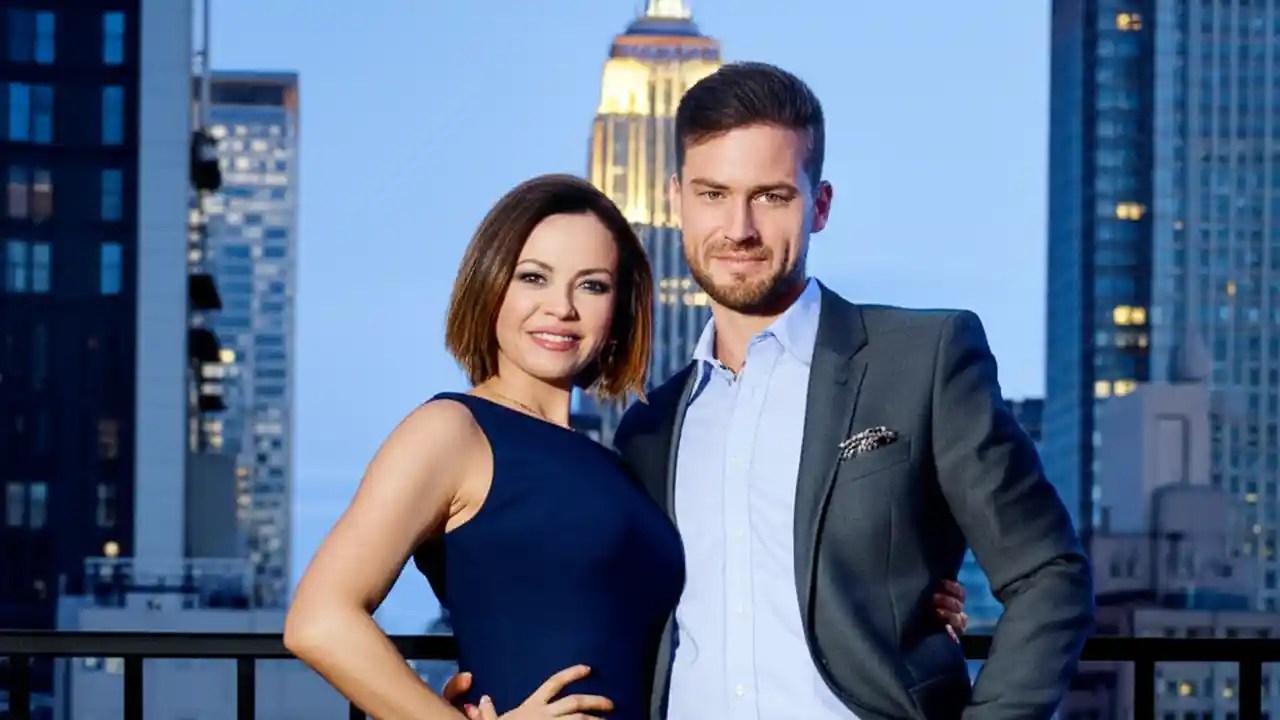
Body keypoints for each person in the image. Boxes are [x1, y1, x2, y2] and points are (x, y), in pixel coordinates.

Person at [285, 172, 971, 719]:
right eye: (533, 277)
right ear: (490, 284)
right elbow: (319, 619)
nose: (561, 307)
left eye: (592, 285)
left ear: (618, 311)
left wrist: (902, 597)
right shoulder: (451, 431)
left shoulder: (623, 458)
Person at [611, 62, 1095, 719]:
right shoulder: (648, 429)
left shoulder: (922, 360)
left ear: (821, 204)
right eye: (713, 193)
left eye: (773, 196)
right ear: (676, 201)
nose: (740, 227)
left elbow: (1048, 574)